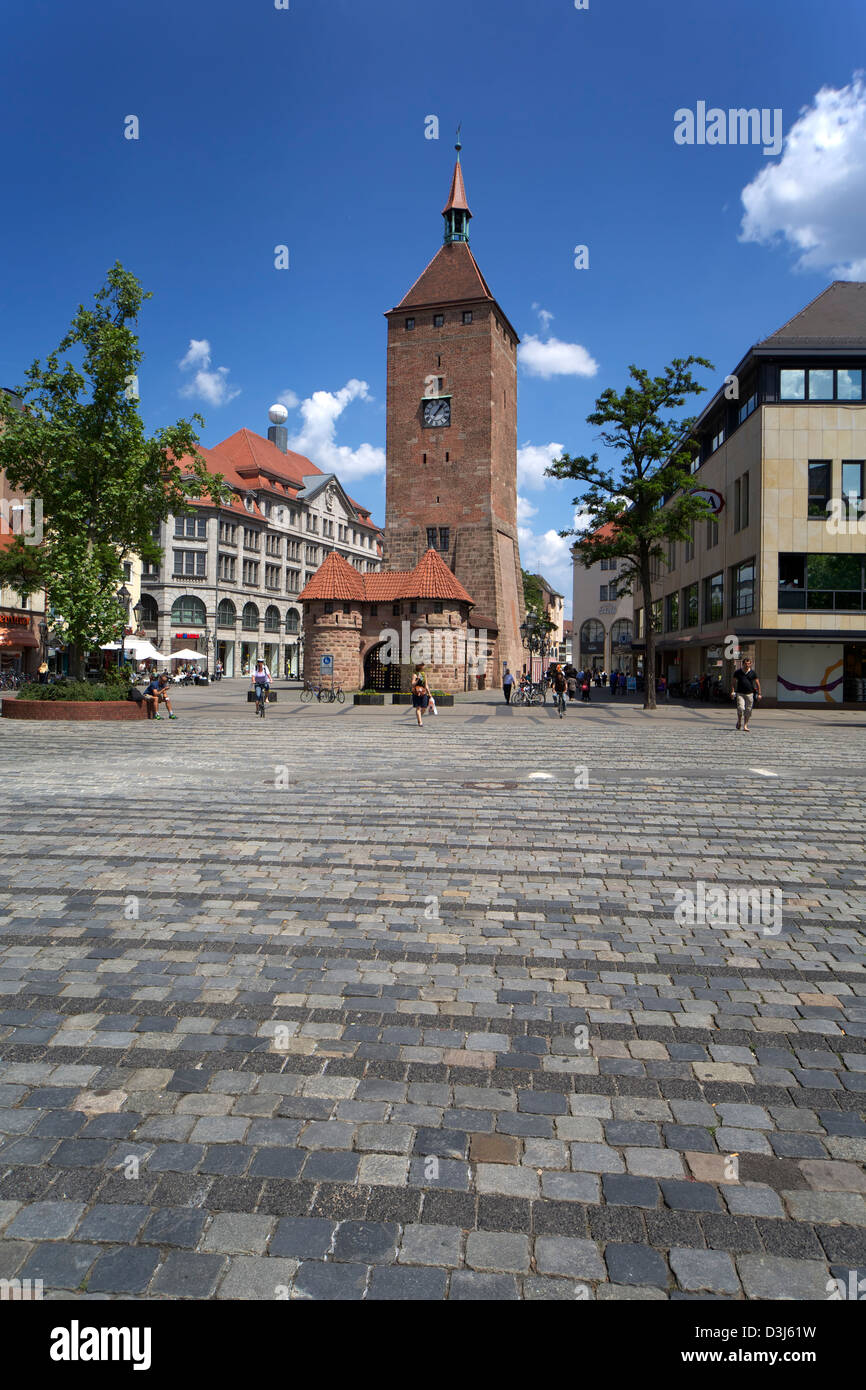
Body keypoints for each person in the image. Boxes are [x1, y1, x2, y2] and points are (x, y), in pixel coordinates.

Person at [731, 656, 761, 731]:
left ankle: (745, 726)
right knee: (740, 708)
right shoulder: (738, 672)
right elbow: (733, 683)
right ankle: (739, 721)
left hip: (750, 694)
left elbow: (757, 683)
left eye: (748, 664)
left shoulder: (753, 673)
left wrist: (759, 694)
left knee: (748, 710)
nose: (747, 665)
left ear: (750, 664)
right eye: (745, 664)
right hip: (740, 693)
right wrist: (732, 691)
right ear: (743, 664)